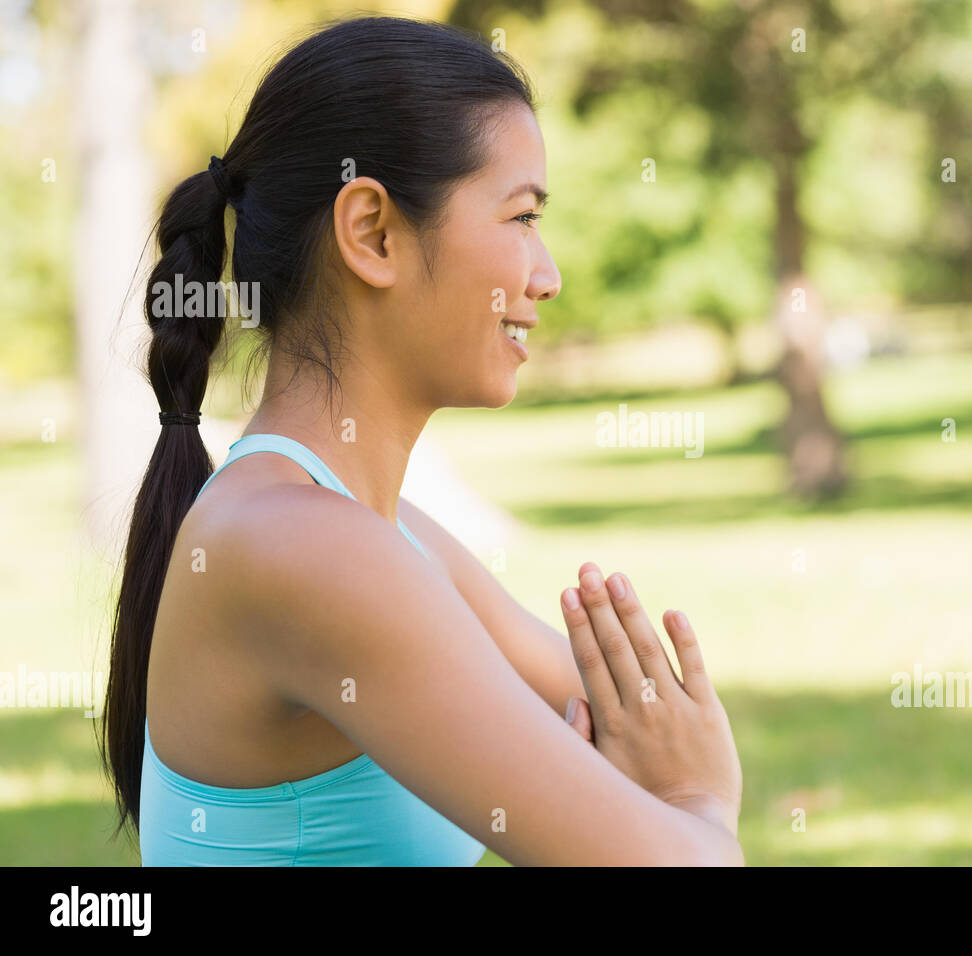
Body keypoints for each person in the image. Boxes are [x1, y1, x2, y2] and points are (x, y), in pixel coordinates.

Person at [99, 15, 743, 866]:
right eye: (521, 218)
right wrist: (700, 803)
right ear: (372, 232)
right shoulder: (307, 549)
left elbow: (625, 720)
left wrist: (668, 784)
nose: (545, 277)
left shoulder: (383, 534)